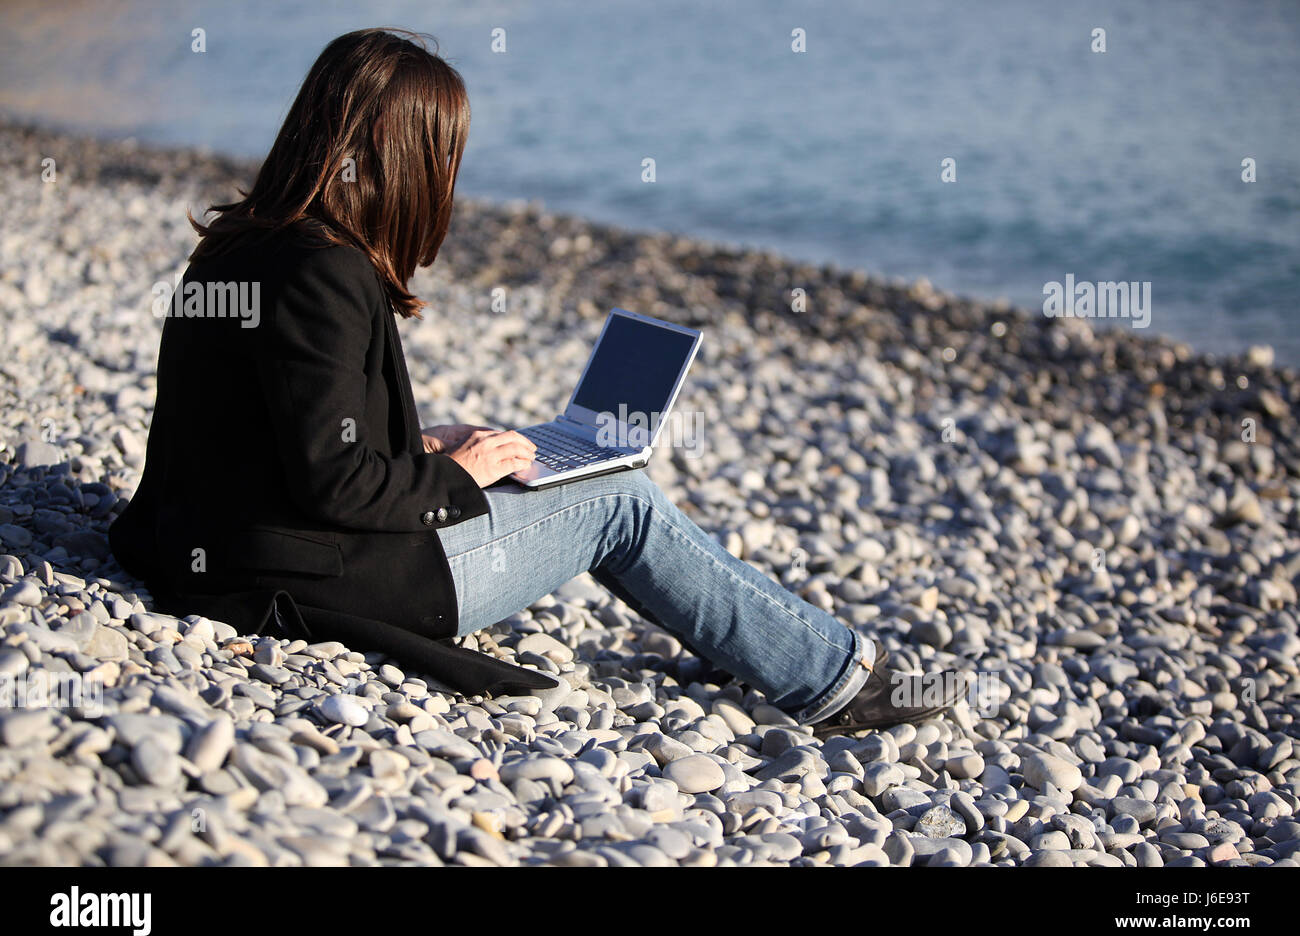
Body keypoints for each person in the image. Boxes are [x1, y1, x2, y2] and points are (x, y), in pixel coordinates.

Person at [108, 28, 965, 737]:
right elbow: (333, 481)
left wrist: (421, 445)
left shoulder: (240, 242)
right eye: (445, 153)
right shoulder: (323, 273)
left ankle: (740, 633)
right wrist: (457, 474)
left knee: (584, 475)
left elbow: (274, 431)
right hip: (316, 573)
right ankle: (838, 683)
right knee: (619, 496)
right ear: (405, 154)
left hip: (222, 540)